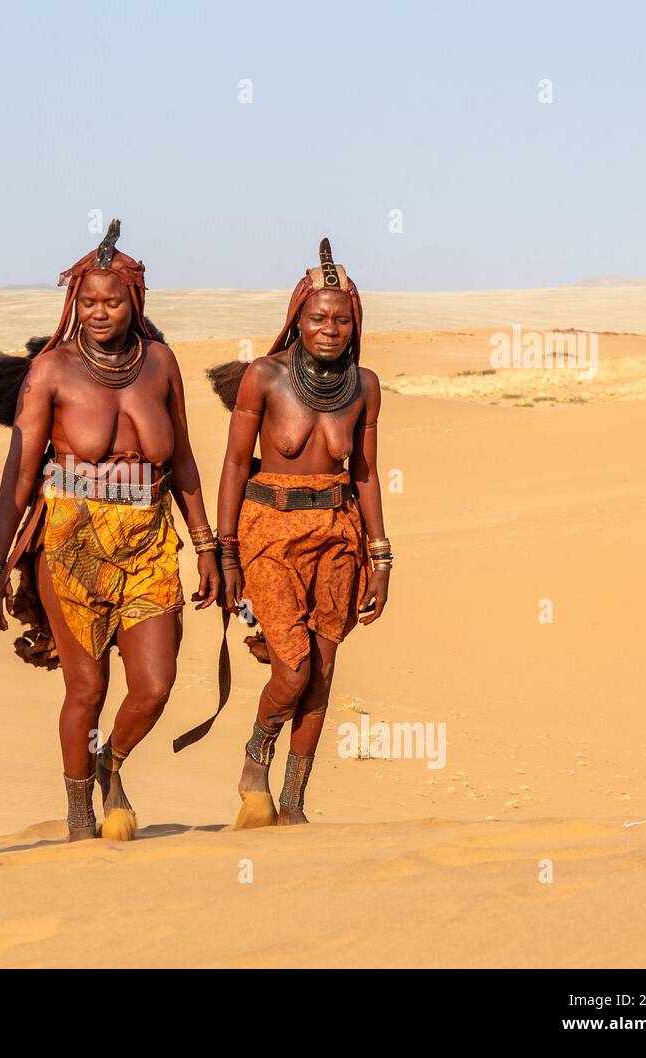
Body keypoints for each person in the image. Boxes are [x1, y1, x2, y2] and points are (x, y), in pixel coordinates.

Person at [0, 221, 219, 842]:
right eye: (88, 301)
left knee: (155, 687)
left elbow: (182, 456)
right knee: (88, 687)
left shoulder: (160, 363)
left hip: (150, 539)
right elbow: (19, 473)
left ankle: (112, 762)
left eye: (112, 300)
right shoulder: (51, 370)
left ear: (135, 301)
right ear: (72, 302)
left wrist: (207, 542)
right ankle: (80, 818)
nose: (99, 312)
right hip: (70, 541)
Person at [208, 237, 392, 827]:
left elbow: (363, 473)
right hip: (269, 530)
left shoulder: (364, 385)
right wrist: (226, 553)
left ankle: (293, 804)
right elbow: (236, 464)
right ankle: (257, 751)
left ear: (355, 324)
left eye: (341, 319)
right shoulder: (263, 376)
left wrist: (381, 559)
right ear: (296, 320)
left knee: (325, 671)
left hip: (339, 534)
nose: (330, 329)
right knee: (293, 668)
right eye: (318, 317)